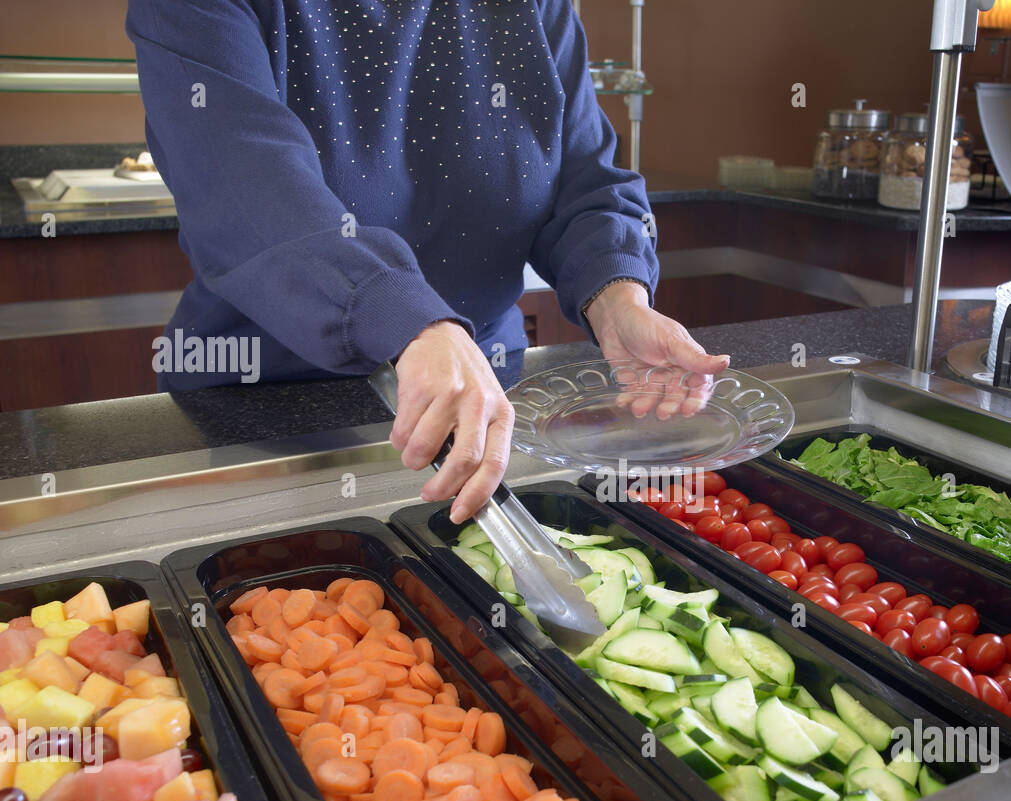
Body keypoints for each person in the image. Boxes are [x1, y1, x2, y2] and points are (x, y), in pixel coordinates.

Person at [127, 0, 729, 522]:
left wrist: (617, 295)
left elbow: (583, 178)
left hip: (486, 394)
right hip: (265, 410)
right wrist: (408, 320)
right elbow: (246, 184)